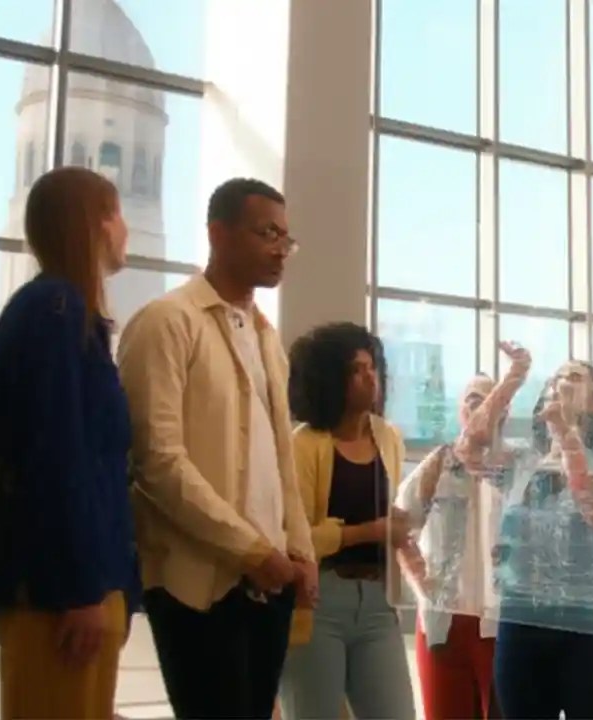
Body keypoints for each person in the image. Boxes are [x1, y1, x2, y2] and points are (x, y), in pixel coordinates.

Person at [117, 178, 317, 719]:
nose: (280, 247)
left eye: (286, 237)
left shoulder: (265, 335)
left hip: (270, 580)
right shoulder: (167, 321)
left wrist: (299, 548)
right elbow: (157, 462)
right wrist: (252, 552)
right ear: (217, 234)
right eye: (266, 233)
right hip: (196, 583)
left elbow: (281, 459)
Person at [0, 166, 141, 720]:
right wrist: (79, 588)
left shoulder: (67, 314)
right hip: (60, 597)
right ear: (95, 222)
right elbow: (56, 457)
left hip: (81, 587)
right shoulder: (56, 311)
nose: (125, 229)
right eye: (117, 213)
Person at [278, 322, 416, 720]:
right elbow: (295, 538)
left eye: (372, 366)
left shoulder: (387, 436)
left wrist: (398, 527)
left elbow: (387, 509)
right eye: (356, 369)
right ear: (330, 380)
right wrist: (366, 532)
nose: (369, 376)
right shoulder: (303, 445)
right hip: (319, 601)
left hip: (377, 602)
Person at [491, 360, 593, 719]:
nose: (562, 383)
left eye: (575, 377)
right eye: (556, 377)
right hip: (521, 618)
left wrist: (566, 436)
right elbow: (472, 445)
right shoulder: (523, 459)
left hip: (590, 624)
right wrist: (512, 378)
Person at [396, 342, 531, 720]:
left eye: (487, 399)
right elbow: (401, 526)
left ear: (504, 408)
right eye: (471, 399)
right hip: (443, 625)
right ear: (459, 410)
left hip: (503, 624)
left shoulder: (520, 465)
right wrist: (422, 582)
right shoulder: (438, 464)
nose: (478, 407)